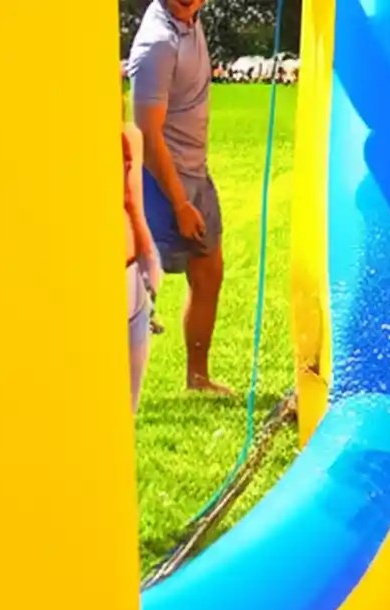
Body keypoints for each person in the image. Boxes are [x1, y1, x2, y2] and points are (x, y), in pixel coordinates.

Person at [127, 0, 232, 394]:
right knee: (137, 290)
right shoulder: (158, 43)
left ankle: (198, 379)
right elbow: (148, 137)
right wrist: (179, 204)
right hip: (161, 185)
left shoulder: (191, 19)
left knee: (208, 272)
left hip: (195, 175)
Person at [123, 68, 162, 414]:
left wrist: (149, 259)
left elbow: (134, 203)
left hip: (131, 277)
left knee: (126, 412)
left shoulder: (128, 136)